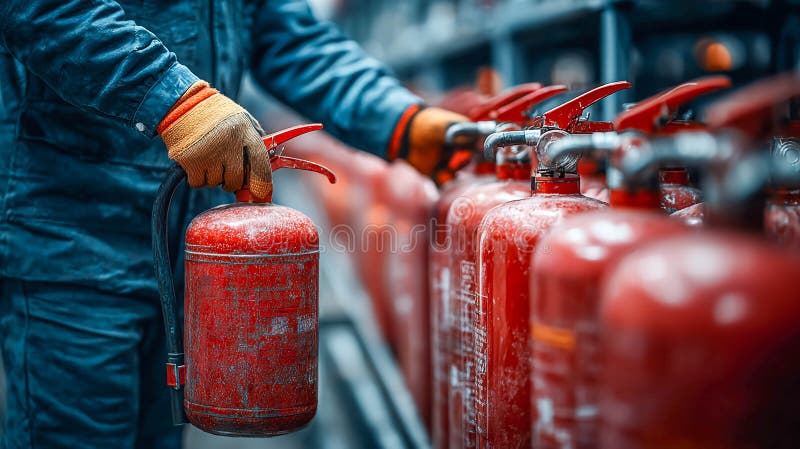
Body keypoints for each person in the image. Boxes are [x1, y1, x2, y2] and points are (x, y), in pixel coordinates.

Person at [0, 1, 470, 447]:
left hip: (184, 241)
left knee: (158, 435)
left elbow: (288, 38)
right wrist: (172, 101)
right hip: (73, 242)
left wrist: (401, 119)